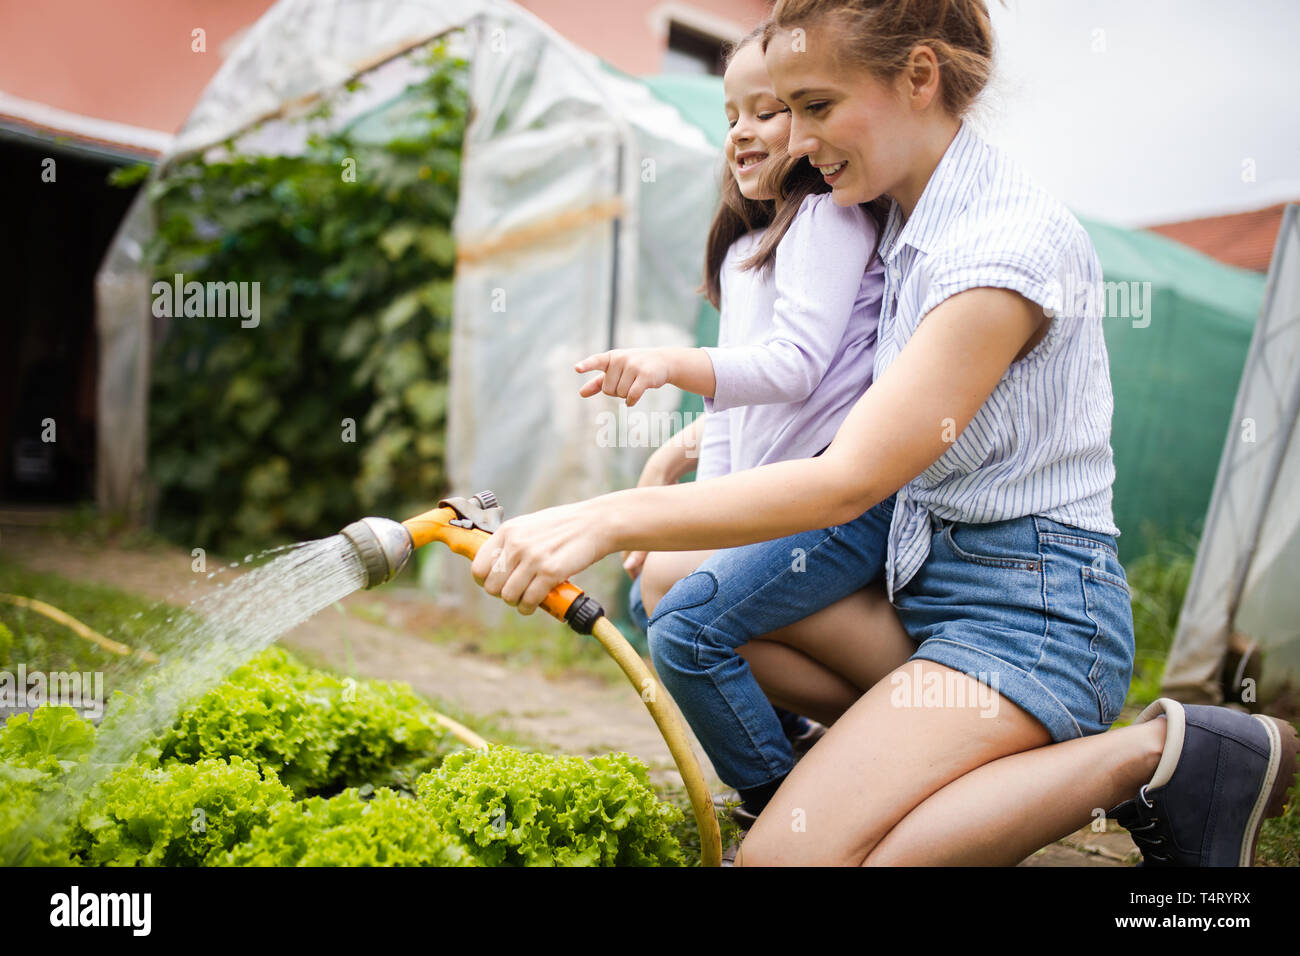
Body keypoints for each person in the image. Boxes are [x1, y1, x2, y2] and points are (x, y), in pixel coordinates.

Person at [469, 0, 1298, 866]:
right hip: (922, 592)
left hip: (1034, 620)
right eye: (784, 110)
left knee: (795, 861)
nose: (794, 139)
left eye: (817, 108)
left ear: (920, 76)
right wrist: (687, 447)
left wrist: (602, 518)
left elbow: (851, 477)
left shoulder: (999, 245)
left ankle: (1162, 756)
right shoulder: (896, 211)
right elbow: (835, 393)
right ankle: (930, 770)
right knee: (678, 596)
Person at [573, 24, 913, 823]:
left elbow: (793, 367)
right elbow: (730, 415)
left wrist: (669, 362)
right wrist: (691, 516)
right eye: (733, 116)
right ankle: (794, 742)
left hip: (840, 505)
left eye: (770, 112)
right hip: (779, 503)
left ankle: (779, 808)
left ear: (812, 126)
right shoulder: (743, 251)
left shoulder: (827, 220)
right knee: (652, 593)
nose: (743, 133)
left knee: (682, 626)